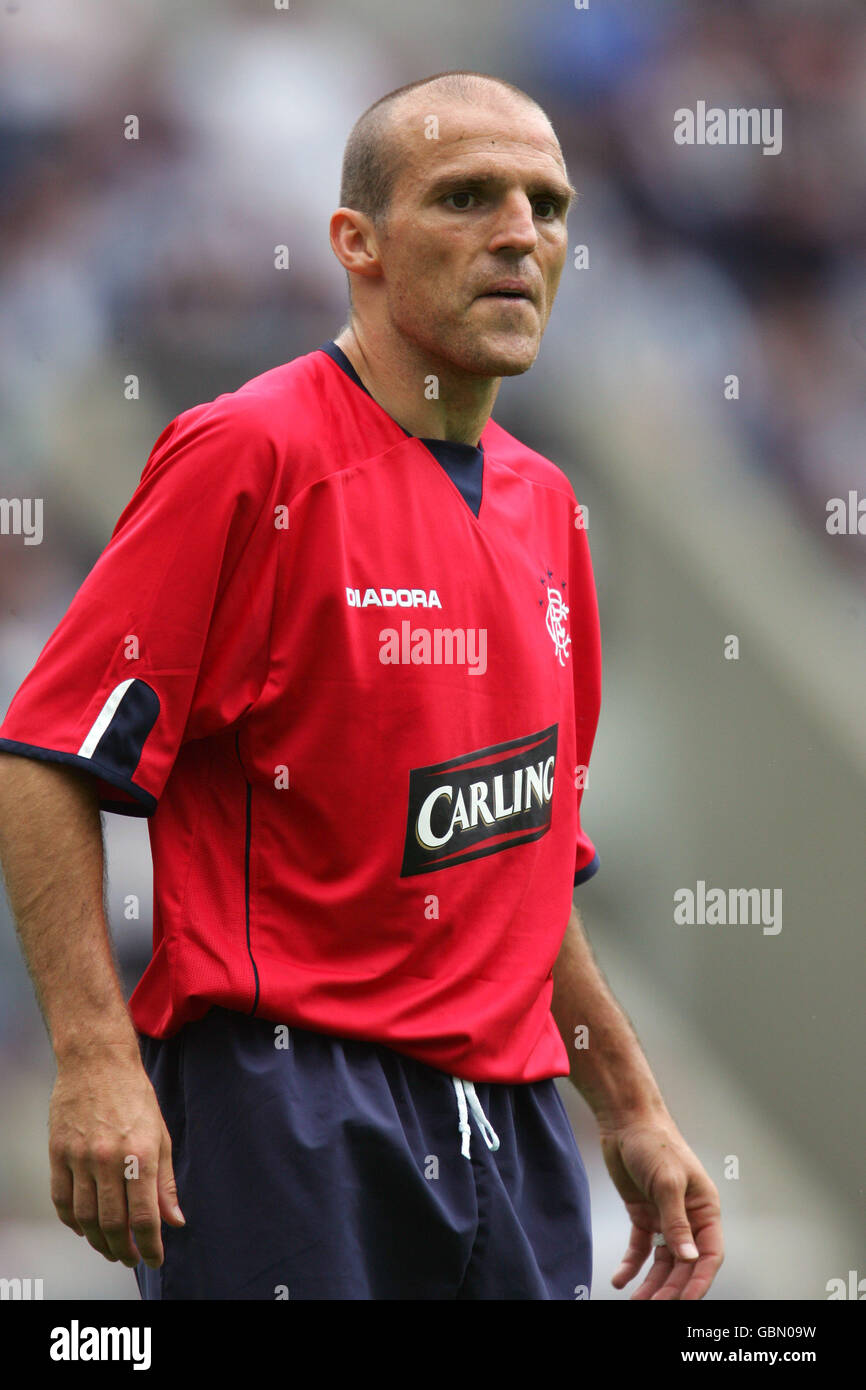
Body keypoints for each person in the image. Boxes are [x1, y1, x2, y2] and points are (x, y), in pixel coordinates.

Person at [0, 70, 723, 1300]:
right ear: (357, 244)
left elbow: (526, 867)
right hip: (286, 1106)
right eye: (466, 198)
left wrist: (633, 1106)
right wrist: (94, 1058)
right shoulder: (250, 451)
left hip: (516, 1120)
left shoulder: (550, 507)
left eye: (546, 206)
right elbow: (43, 757)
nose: (518, 234)